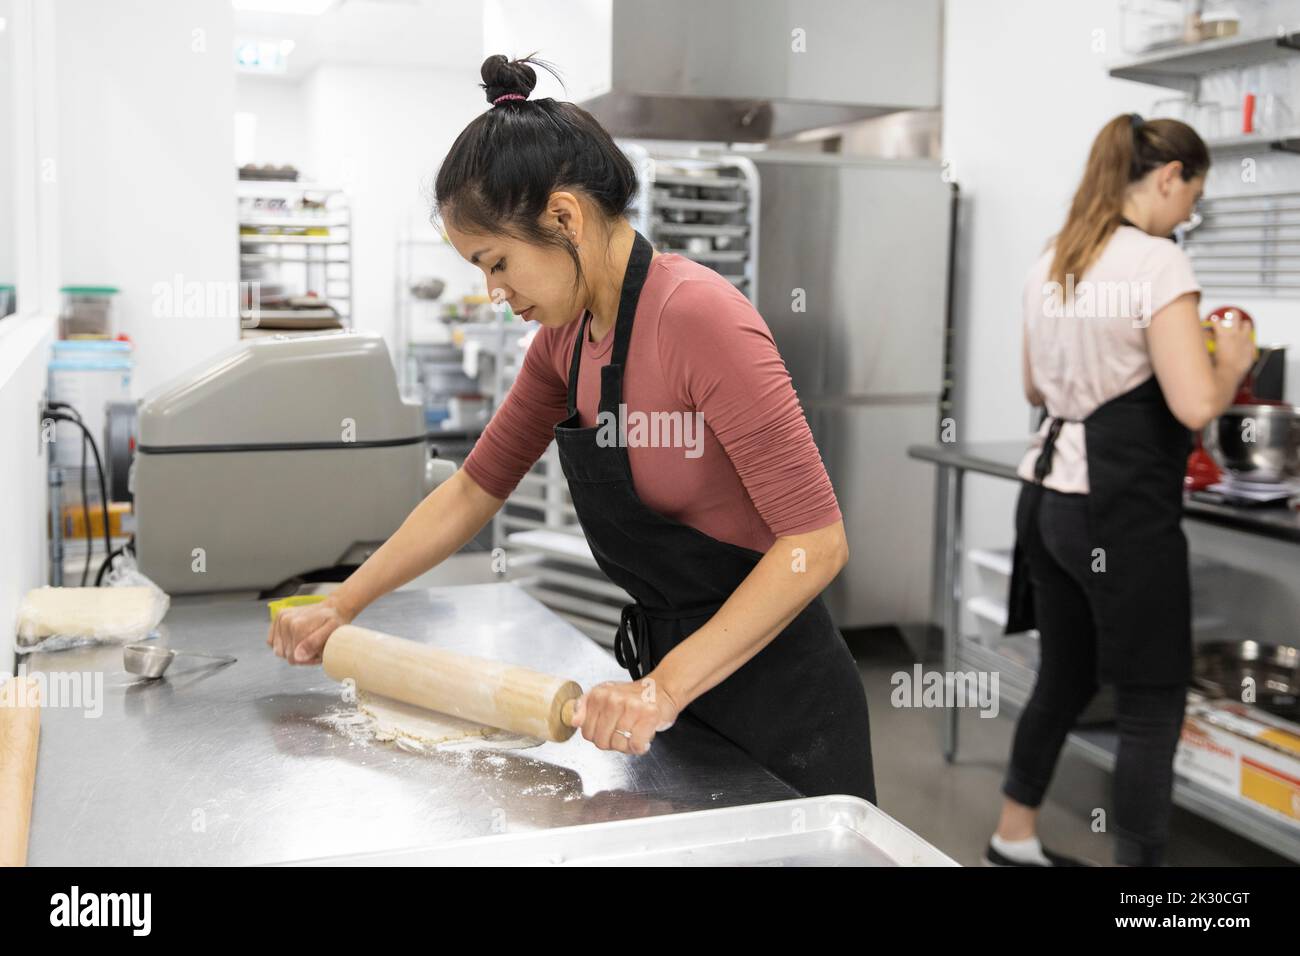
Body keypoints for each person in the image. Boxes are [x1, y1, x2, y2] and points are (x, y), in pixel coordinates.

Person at [267, 54, 876, 802]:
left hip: (784, 704)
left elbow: (817, 543)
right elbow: (474, 489)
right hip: (669, 690)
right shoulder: (568, 337)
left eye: (496, 263)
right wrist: (343, 602)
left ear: (563, 217)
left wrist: (663, 690)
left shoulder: (698, 318)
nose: (493, 292)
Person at [985, 113, 1256, 866]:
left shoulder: (1056, 258)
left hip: (1048, 500)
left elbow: (1035, 384)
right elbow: (1195, 406)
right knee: (1150, 699)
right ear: (1168, 177)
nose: (1188, 216)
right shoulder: (1158, 264)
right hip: (1118, 510)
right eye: (1191, 197)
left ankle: (1013, 838)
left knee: (1066, 676)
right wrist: (1232, 361)